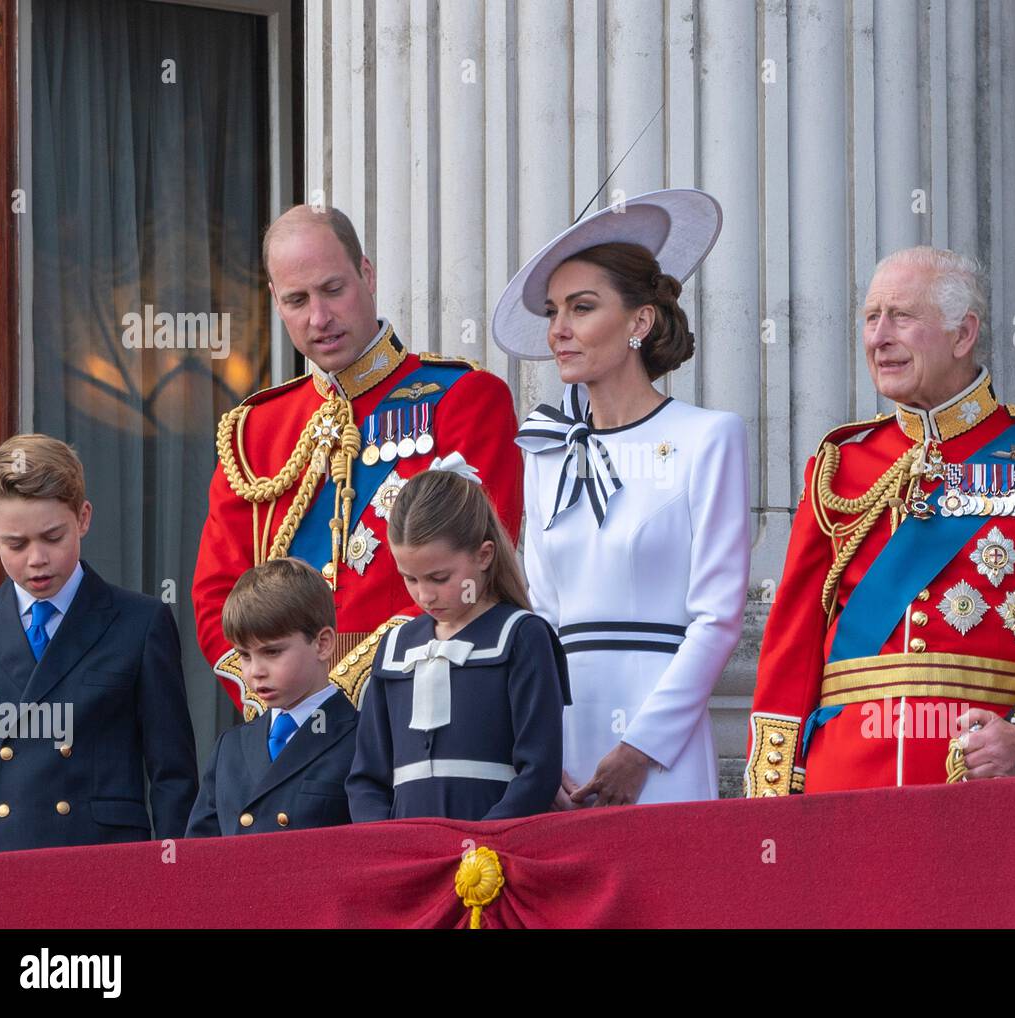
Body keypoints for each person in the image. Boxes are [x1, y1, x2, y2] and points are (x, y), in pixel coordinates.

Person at [746, 247, 1015, 795]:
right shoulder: (839, 468)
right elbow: (792, 646)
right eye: (871, 317)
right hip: (846, 780)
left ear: (963, 334)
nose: (879, 337)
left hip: (986, 778)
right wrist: (773, 795)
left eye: (901, 317)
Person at [192, 205, 523, 719]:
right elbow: (218, 595)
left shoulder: (461, 398)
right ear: (276, 302)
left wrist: (347, 693)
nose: (319, 318)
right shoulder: (254, 430)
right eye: (298, 300)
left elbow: (480, 567)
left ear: (366, 275)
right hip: (286, 728)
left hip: (419, 709)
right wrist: (278, 697)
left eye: (333, 289)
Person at [494, 188, 750, 806]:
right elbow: (542, 617)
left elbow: (716, 618)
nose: (559, 330)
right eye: (554, 311)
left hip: (663, 745)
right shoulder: (545, 449)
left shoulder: (708, 437)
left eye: (581, 308)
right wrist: (536, 748)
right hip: (563, 739)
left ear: (639, 321)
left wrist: (641, 750)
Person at [0, 434, 197, 852]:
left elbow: (172, 774)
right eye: (16, 544)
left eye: (53, 537)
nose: (37, 558)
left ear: (84, 518)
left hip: (98, 858)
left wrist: (173, 877)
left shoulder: (140, 623)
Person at [346, 456, 569, 821]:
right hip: (407, 856)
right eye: (410, 579)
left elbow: (538, 771)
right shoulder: (394, 647)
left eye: (438, 578)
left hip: (490, 857)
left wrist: (481, 843)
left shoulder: (522, 636)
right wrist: (386, 845)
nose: (424, 596)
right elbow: (367, 778)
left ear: (484, 555)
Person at [187, 557, 357, 836]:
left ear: (322, 644)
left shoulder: (363, 740)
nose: (256, 671)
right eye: (244, 655)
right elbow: (199, 855)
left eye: (272, 652)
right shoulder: (229, 748)